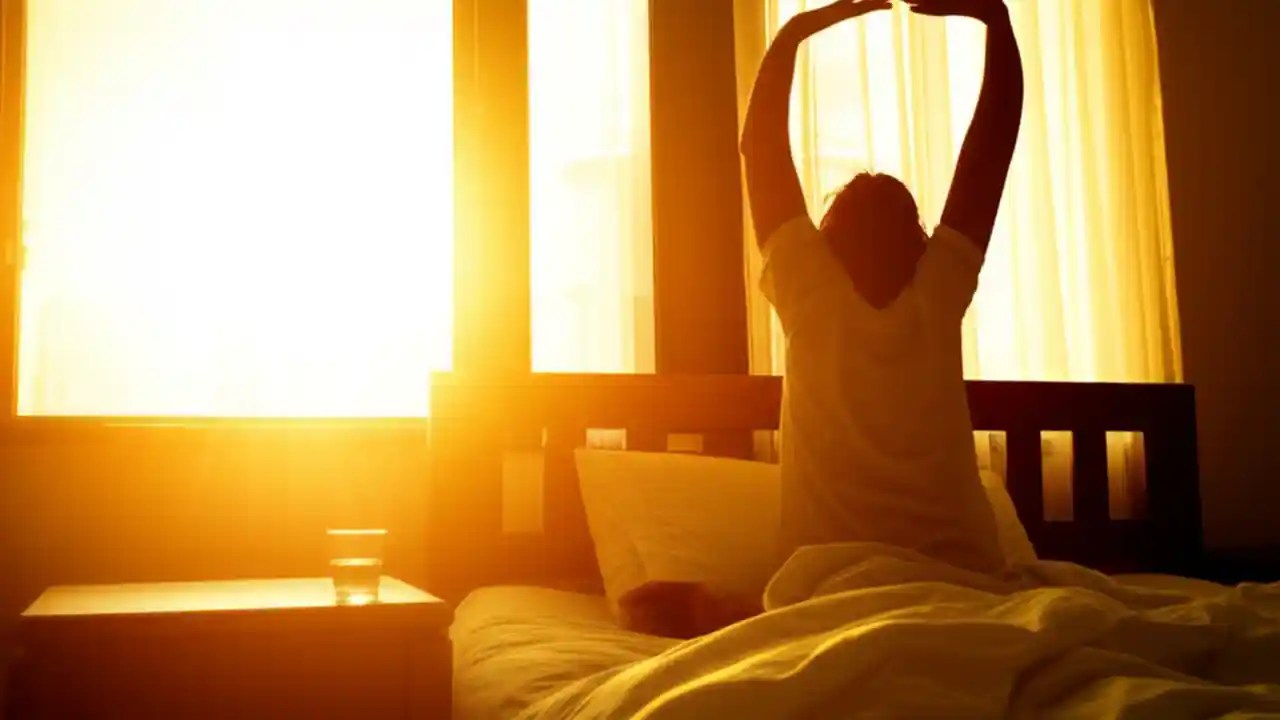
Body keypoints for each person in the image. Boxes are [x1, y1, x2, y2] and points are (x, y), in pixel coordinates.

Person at [741, 0, 1025, 574]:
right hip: (967, 585)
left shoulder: (810, 292)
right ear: (915, 239)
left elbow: (759, 146)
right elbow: (992, 145)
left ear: (829, 240)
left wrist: (796, 32)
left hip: (831, 588)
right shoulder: (937, 294)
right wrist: (997, 21)